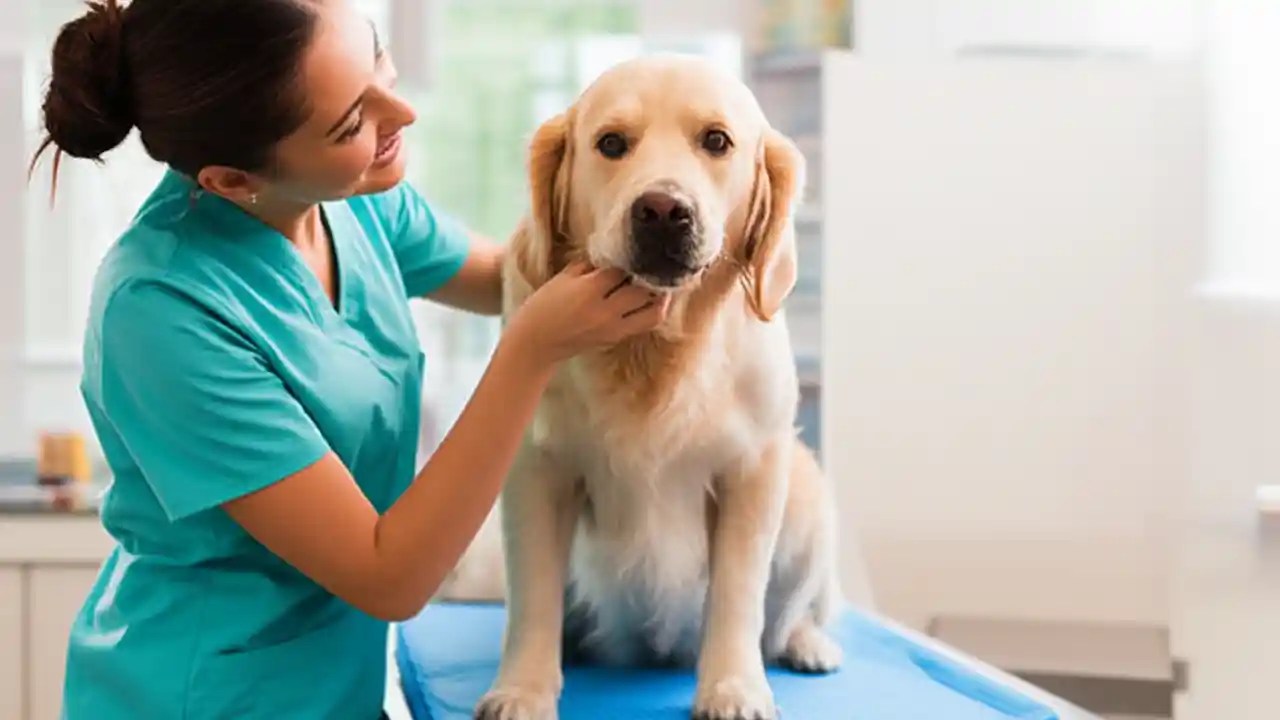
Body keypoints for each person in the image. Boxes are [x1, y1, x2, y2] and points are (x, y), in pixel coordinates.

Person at [32, 1, 668, 718]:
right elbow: (387, 575)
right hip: (205, 696)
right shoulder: (160, 311)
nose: (400, 113)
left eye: (376, 56)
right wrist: (530, 352)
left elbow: (510, 280)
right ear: (233, 180)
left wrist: (648, 222)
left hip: (340, 688)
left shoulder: (351, 199)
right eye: (350, 123)